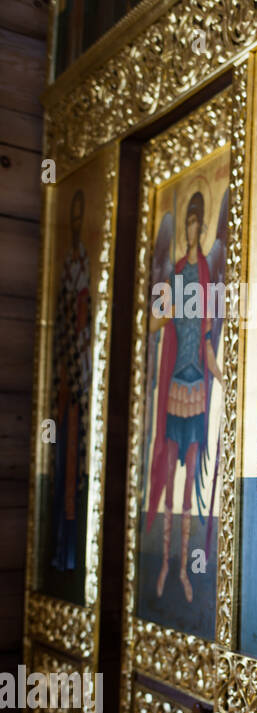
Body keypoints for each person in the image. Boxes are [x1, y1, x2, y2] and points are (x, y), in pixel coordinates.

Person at [146, 191, 222, 601]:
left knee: (191, 476)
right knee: (174, 483)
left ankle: (187, 571)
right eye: (189, 221)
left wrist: (223, 376)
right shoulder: (176, 270)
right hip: (175, 384)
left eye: (197, 221)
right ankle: (165, 564)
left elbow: (207, 335)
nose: (193, 227)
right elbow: (161, 321)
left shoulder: (206, 271)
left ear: (203, 226)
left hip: (198, 389)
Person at [49, 189, 91, 576]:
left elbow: (86, 325)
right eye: (73, 219)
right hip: (66, 391)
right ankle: (61, 550)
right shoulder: (67, 268)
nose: (76, 225)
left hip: (78, 389)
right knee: (61, 466)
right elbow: (66, 326)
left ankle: (72, 551)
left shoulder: (84, 269)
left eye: (80, 219)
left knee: (74, 472)